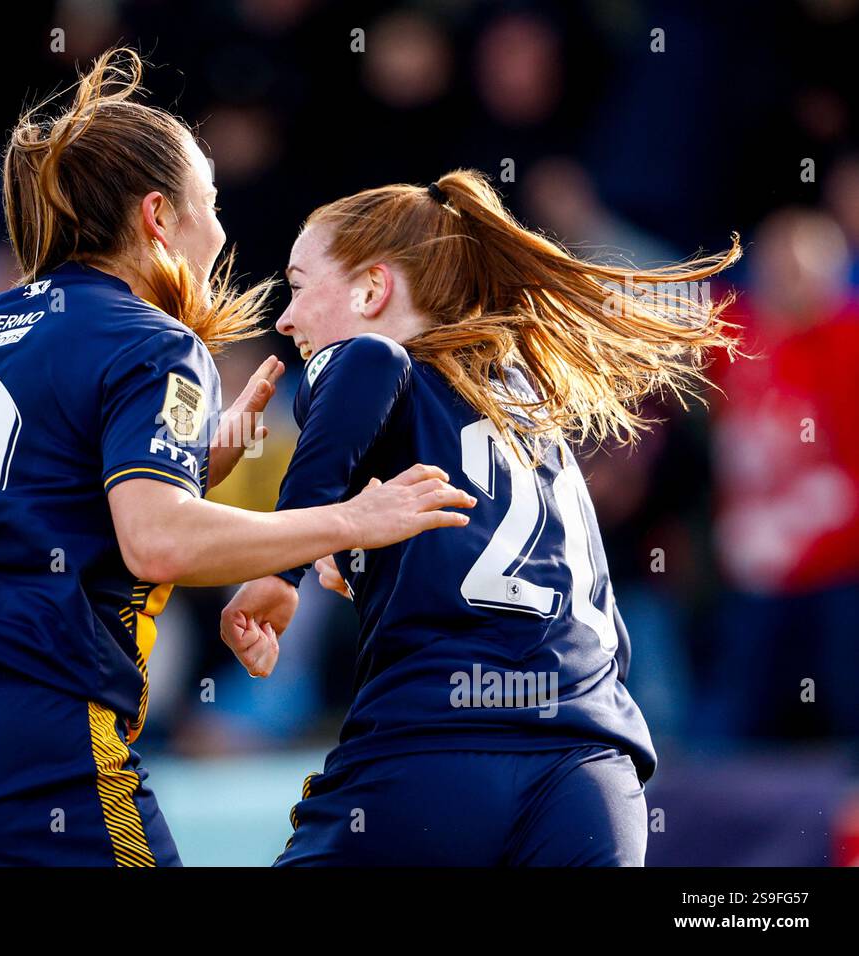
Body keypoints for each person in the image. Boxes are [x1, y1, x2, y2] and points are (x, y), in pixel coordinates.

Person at [0, 49, 475, 867]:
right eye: (207, 203)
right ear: (156, 217)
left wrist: (192, 463)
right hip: (24, 736)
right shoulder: (152, 339)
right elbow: (157, 543)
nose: (220, 229)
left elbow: (32, 507)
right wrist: (350, 518)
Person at [222, 174, 740, 865]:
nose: (285, 321)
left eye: (297, 284)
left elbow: (363, 381)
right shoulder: (530, 406)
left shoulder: (368, 354)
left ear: (372, 292)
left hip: (436, 746)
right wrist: (359, 554)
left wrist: (279, 569)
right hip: (594, 766)